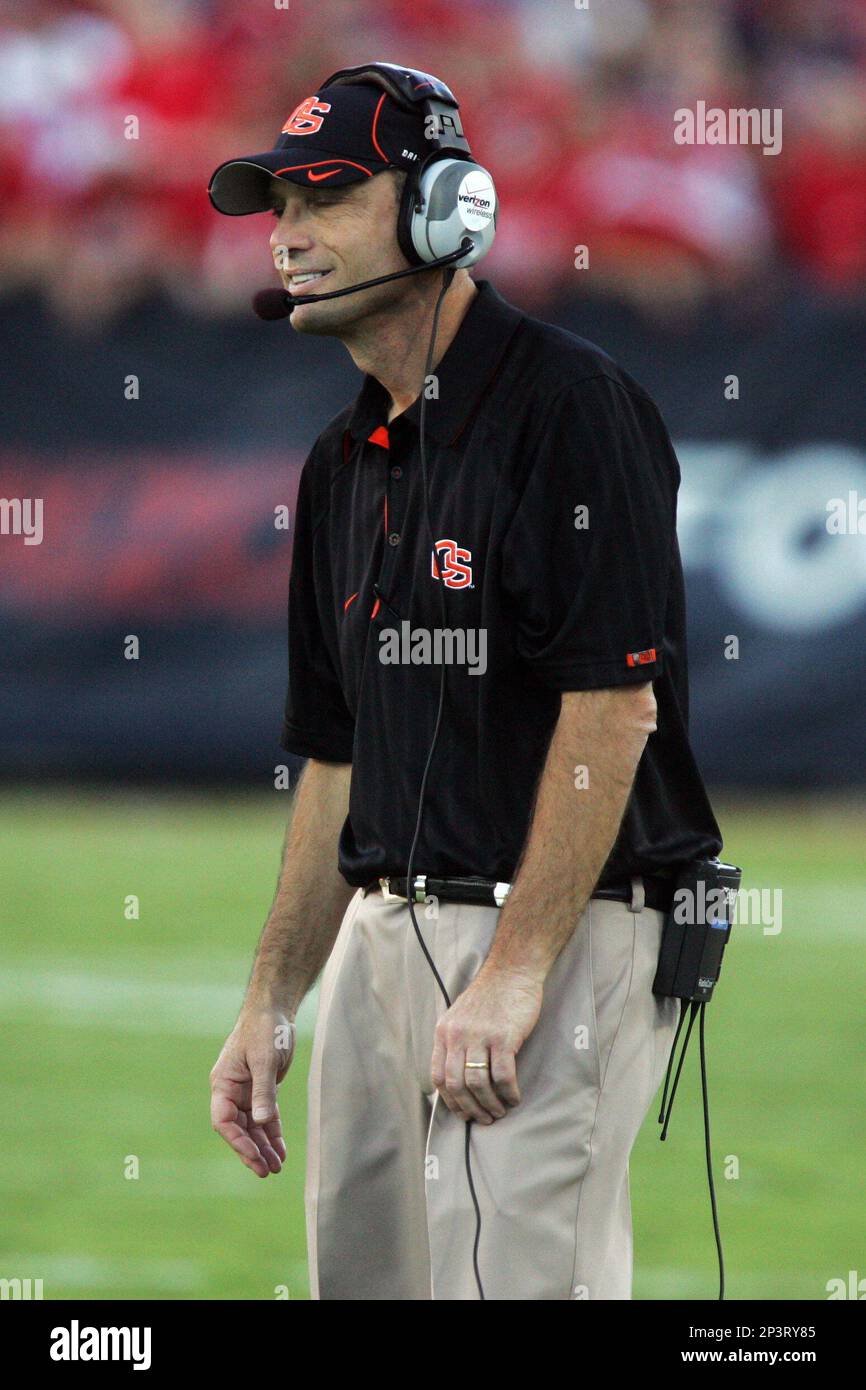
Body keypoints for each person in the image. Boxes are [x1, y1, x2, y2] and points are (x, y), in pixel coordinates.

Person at [207, 63, 723, 1301]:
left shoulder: (573, 409)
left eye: (325, 198)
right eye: (276, 206)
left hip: (553, 931)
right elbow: (334, 758)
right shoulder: (341, 459)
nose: (287, 237)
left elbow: (615, 706)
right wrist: (272, 997)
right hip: (378, 940)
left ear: (446, 209)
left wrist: (515, 968)